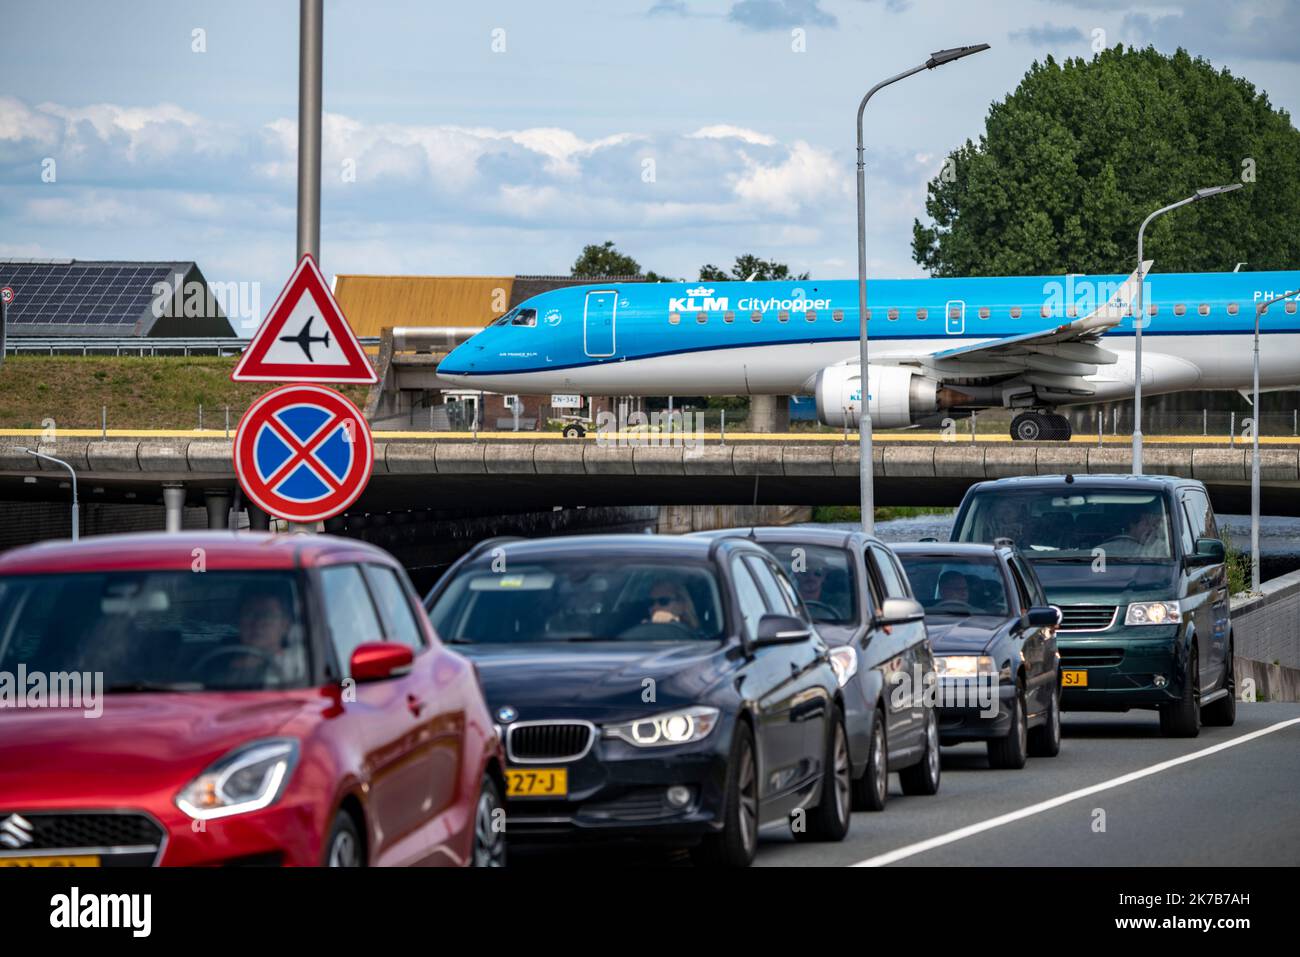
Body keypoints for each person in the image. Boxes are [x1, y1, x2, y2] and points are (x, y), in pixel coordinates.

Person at [217, 588, 305, 687]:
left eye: (267, 615)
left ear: (285, 625)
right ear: (239, 620)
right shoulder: (216, 662)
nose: (257, 622)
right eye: (249, 614)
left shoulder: (297, 668)